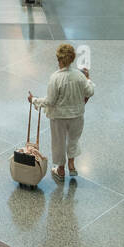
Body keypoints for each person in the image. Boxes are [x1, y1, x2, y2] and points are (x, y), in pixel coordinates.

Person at [29, 42, 94, 182]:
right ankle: (71, 164)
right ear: (72, 59)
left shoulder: (55, 78)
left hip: (59, 117)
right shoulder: (79, 76)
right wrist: (88, 79)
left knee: (58, 142)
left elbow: (50, 101)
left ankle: (60, 170)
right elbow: (90, 91)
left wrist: (34, 100)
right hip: (77, 115)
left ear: (59, 59)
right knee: (73, 139)